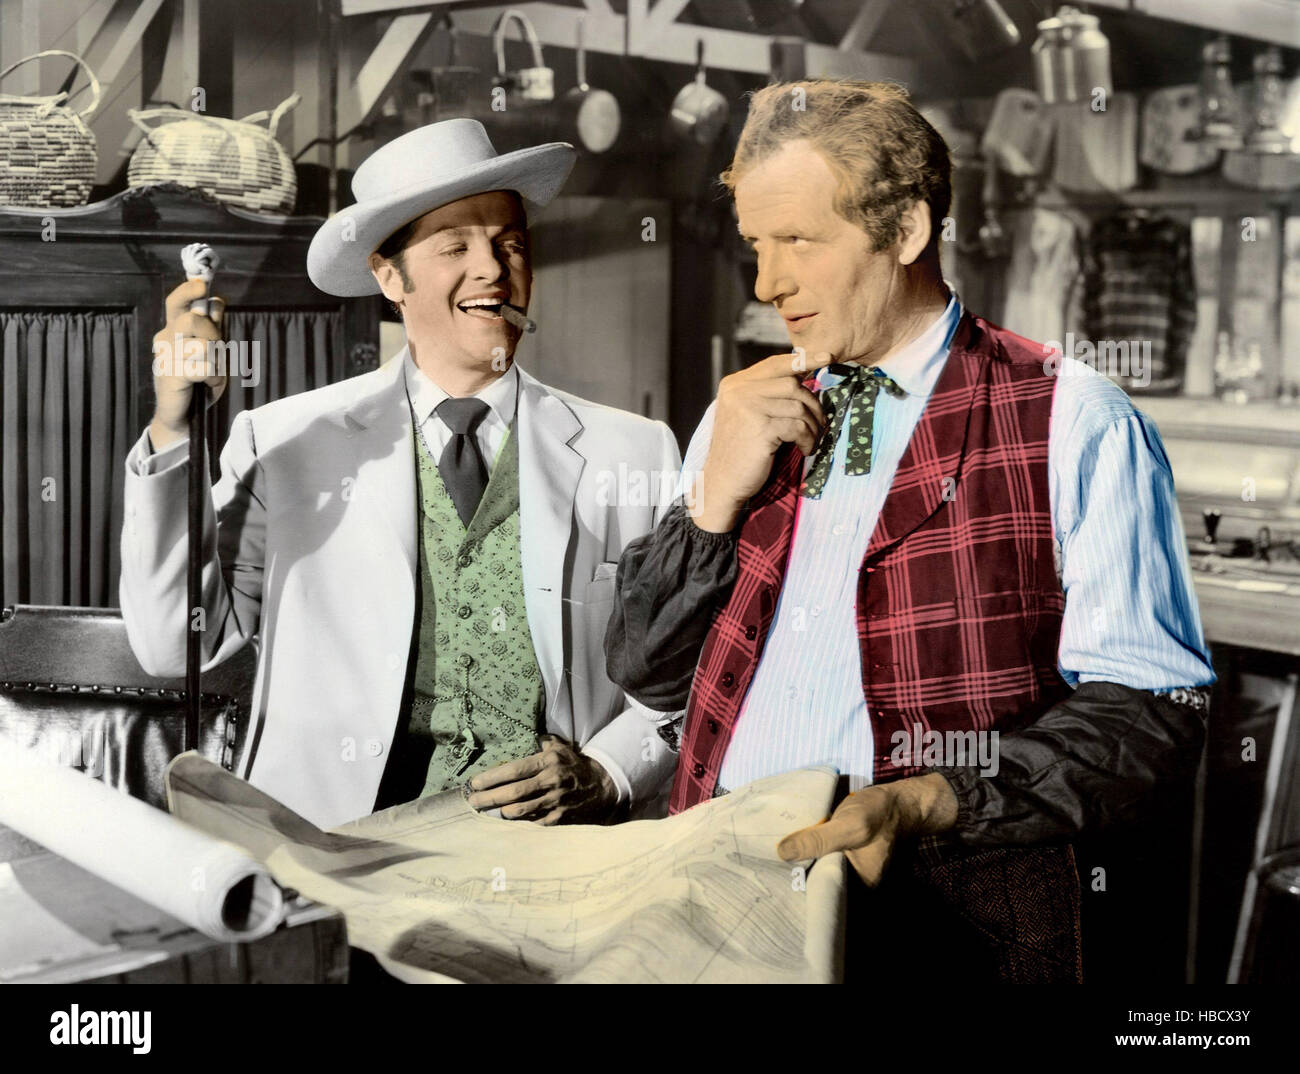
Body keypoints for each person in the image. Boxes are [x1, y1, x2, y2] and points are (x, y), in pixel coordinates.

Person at [605, 80, 1215, 982]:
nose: (767, 283)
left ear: (906, 231)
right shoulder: (744, 411)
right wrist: (711, 505)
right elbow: (646, 674)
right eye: (757, 246)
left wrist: (931, 800)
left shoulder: (1076, 419)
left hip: (951, 922)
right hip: (720, 893)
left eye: (799, 242)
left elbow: (1152, 716)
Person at [121, 119, 681, 830]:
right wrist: (175, 429)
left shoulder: (635, 453)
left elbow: (688, 673)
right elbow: (173, 646)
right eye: (455, 246)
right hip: (339, 849)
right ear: (389, 277)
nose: (492, 269)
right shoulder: (285, 443)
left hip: (555, 856)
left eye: (510, 243)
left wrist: (607, 770)